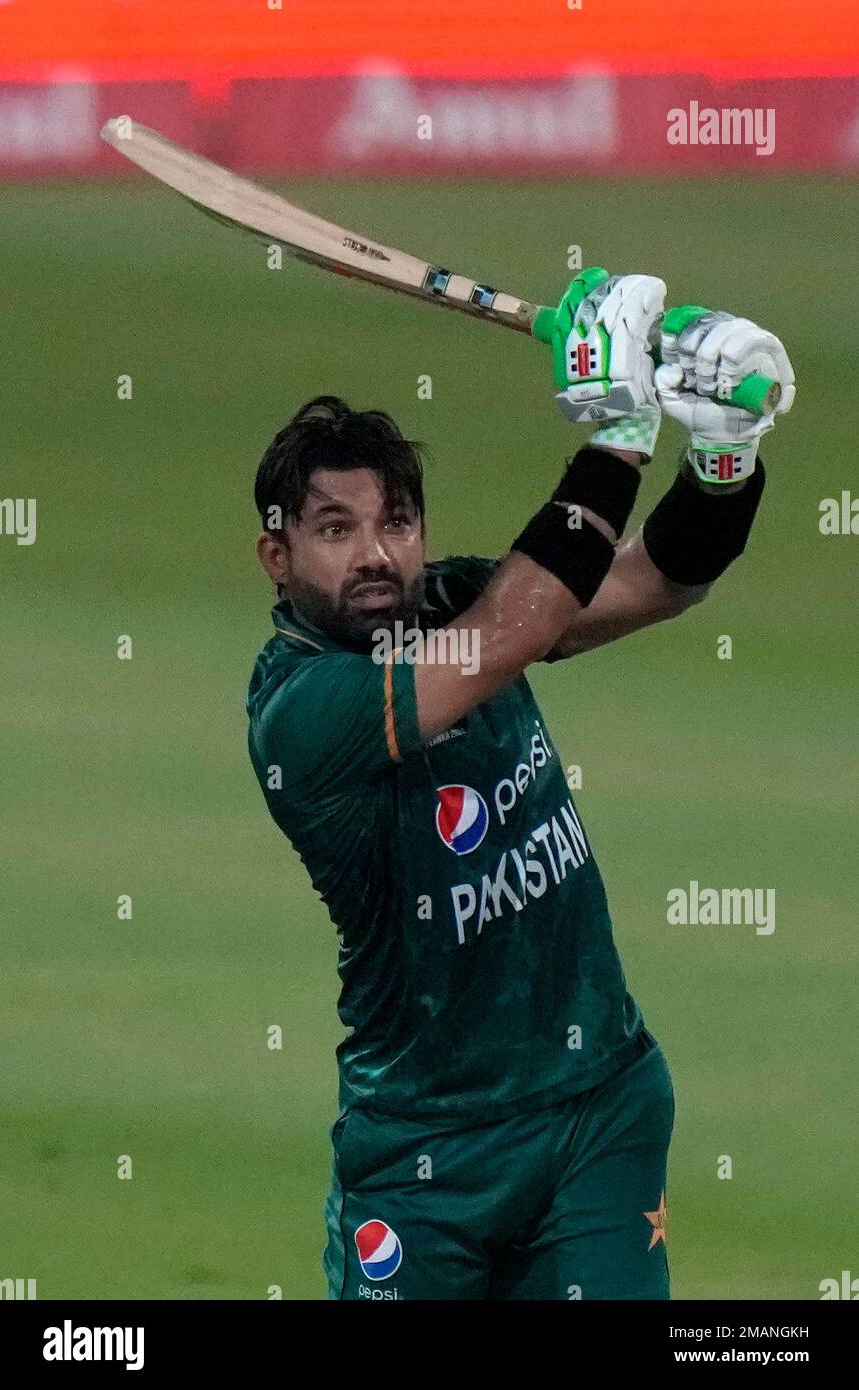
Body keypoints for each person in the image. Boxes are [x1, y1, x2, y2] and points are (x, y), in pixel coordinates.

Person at [246, 270, 794, 1300]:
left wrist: (722, 457)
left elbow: (660, 579)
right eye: (334, 528)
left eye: (396, 520)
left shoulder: (454, 597)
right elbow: (520, 627)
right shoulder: (300, 711)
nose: (377, 553)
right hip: (423, 1156)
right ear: (274, 556)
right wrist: (614, 430)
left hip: (596, 1107)